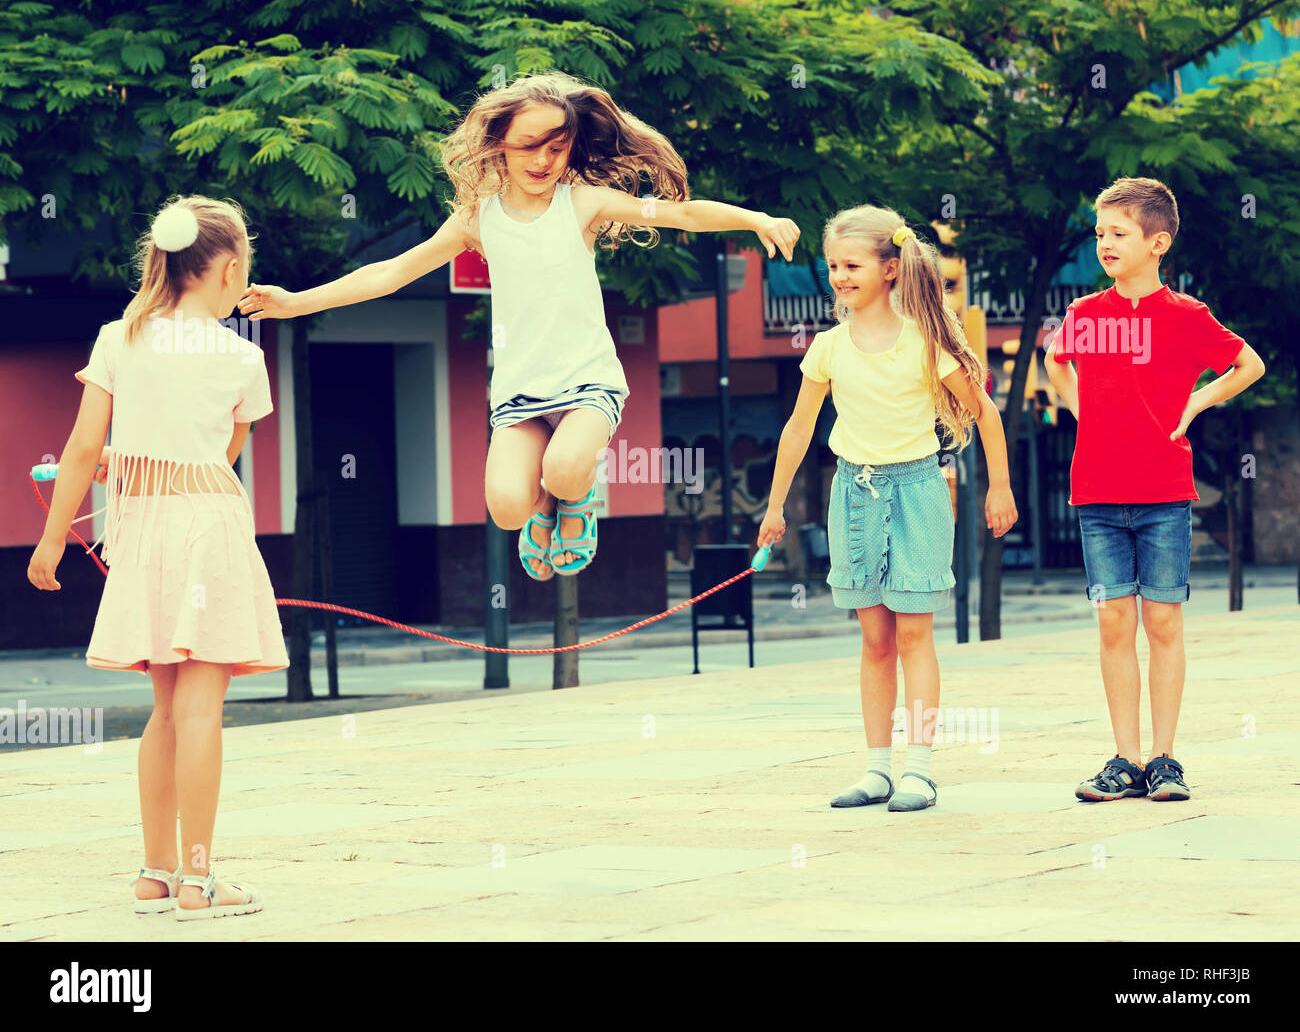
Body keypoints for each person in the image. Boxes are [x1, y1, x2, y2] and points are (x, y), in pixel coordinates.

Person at [238, 71, 799, 581]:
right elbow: (391, 272)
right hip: (519, 391)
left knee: (562, 470)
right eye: (529, 145)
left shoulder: (582, 203)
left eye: (557, 148)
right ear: (497, 144)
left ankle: (572, 499)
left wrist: (755, 219)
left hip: (588, 383)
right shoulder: (475, 220)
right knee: (507, 509)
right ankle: (547, 504)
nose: (543, 160)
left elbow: (680, 213)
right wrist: (294, 302)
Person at [27, 195, 286, 917]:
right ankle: (201, 882)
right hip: (208, 531)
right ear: (230, 269)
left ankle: (155, 873)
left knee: (166, 707)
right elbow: (219, 458)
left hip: (140, 533)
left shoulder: (118, 338)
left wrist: (53, 537)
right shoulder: (243, 355)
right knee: (202, 707)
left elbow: (83, 448)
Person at [758, 206, 1017, 812]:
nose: (840, 276)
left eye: (852, 265)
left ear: (891, 268)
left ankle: (920, 770)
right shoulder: (826, 347)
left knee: (914, 634)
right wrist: (774, 508)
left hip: (919, 491)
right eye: (834, 266)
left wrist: (998, 487)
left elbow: (986, 412)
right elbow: (798, 431)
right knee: (874, 638)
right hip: (853, 494)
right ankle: (877, 770)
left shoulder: (925, 343)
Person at [1045, 177, 1266, 803]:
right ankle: (1125, 758)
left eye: (1118, 233)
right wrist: (1081, 412)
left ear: (1157, 241)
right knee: (1114, 622)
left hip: (1166, 492)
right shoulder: (1085, 315)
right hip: (1096, 493)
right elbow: (1055, 363)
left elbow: (1248, 364)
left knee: (1163, 622)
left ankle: (1166, 759)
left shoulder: (1187, 317)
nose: (1104, 244)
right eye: (1098, 234)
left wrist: (1197, 400)